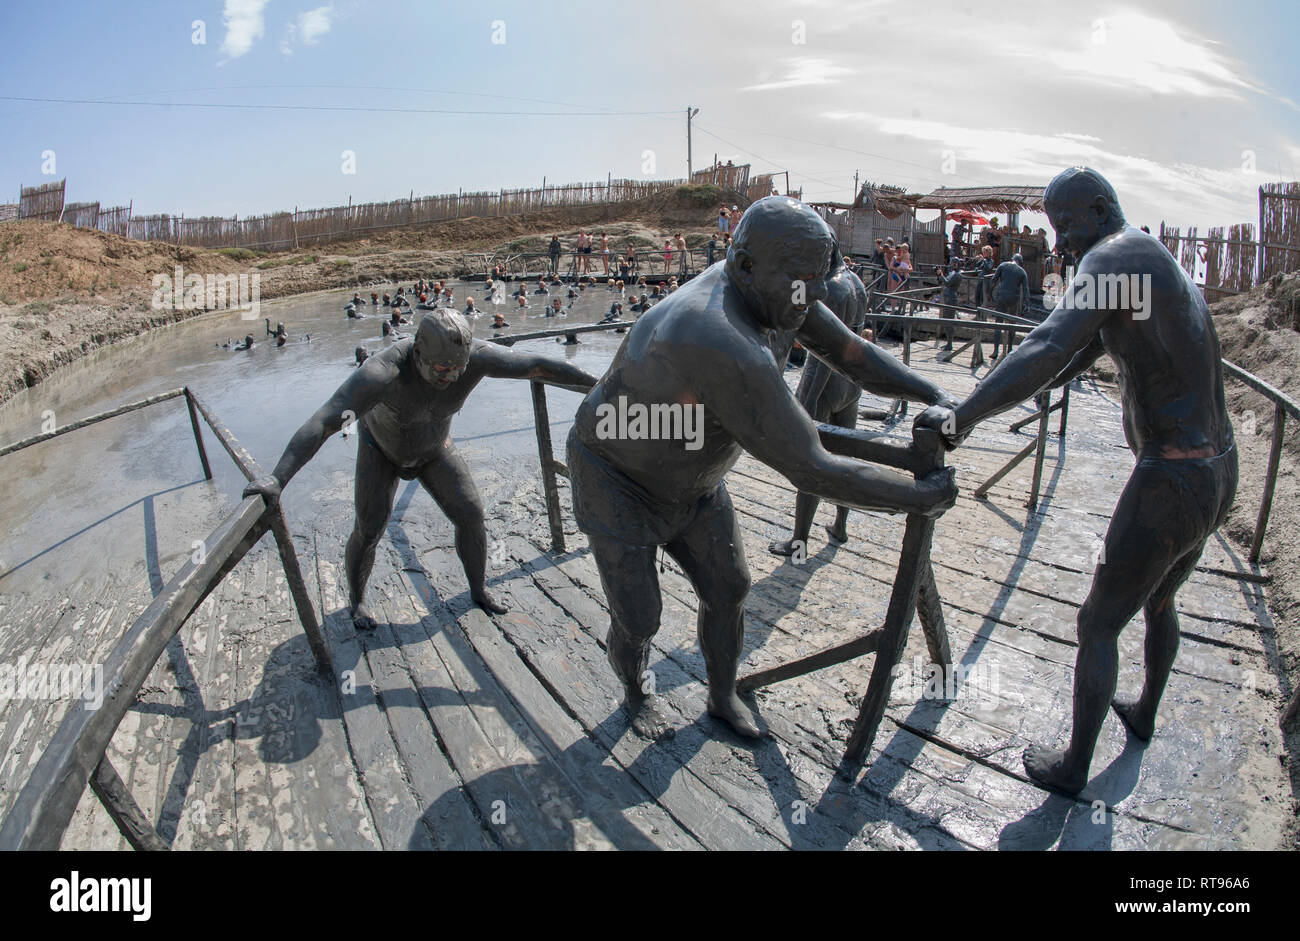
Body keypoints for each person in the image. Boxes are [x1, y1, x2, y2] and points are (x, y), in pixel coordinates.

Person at [566, 197, 958, 741]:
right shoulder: (715, 335)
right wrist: (921, 497)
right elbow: (814, 470)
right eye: (804, 280)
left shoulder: (785, 293)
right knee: (640, 617)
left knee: (729, 589)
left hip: (695, 480)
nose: (816, 295)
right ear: (743, 265)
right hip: (617, 478)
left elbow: (851, 355)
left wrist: (936, 393)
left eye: (822, 279)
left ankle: (722, 695)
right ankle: (635, 690)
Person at [915, 166, 1238, 795]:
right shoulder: (1149, 259)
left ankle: (1073, 768)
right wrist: (1019, 381)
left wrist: (964, 415)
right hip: (1218, 469)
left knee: (1097, 623)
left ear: (1098, 209)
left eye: (1065, 227)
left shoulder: (1111, 260)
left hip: (1173, 476)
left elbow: (1046, 347)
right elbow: (1067, 359)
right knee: (1161, 598)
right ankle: (1143, 710)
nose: (1058, 242)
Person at [244, 309, 600, 628]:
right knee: (369, 530)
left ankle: (478, 590)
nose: (449, 378)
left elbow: (538, 366)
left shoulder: (475, 358)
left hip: (433, 448)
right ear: (417, 352)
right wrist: (278, 478)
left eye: (457, 370)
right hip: (380, 450)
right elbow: (324, 421)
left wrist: (600, 388)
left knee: (471, 514)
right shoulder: (381, 373)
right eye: (441, 370)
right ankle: (357, 602)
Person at [769, 243, 871, 557]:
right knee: (845, 455)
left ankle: (799, 541)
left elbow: (823, 355)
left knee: (812, 462)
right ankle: (840, 524)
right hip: (852, 383)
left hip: (828, 382)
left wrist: (805, 403)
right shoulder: (856, 283)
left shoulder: (832, 290)